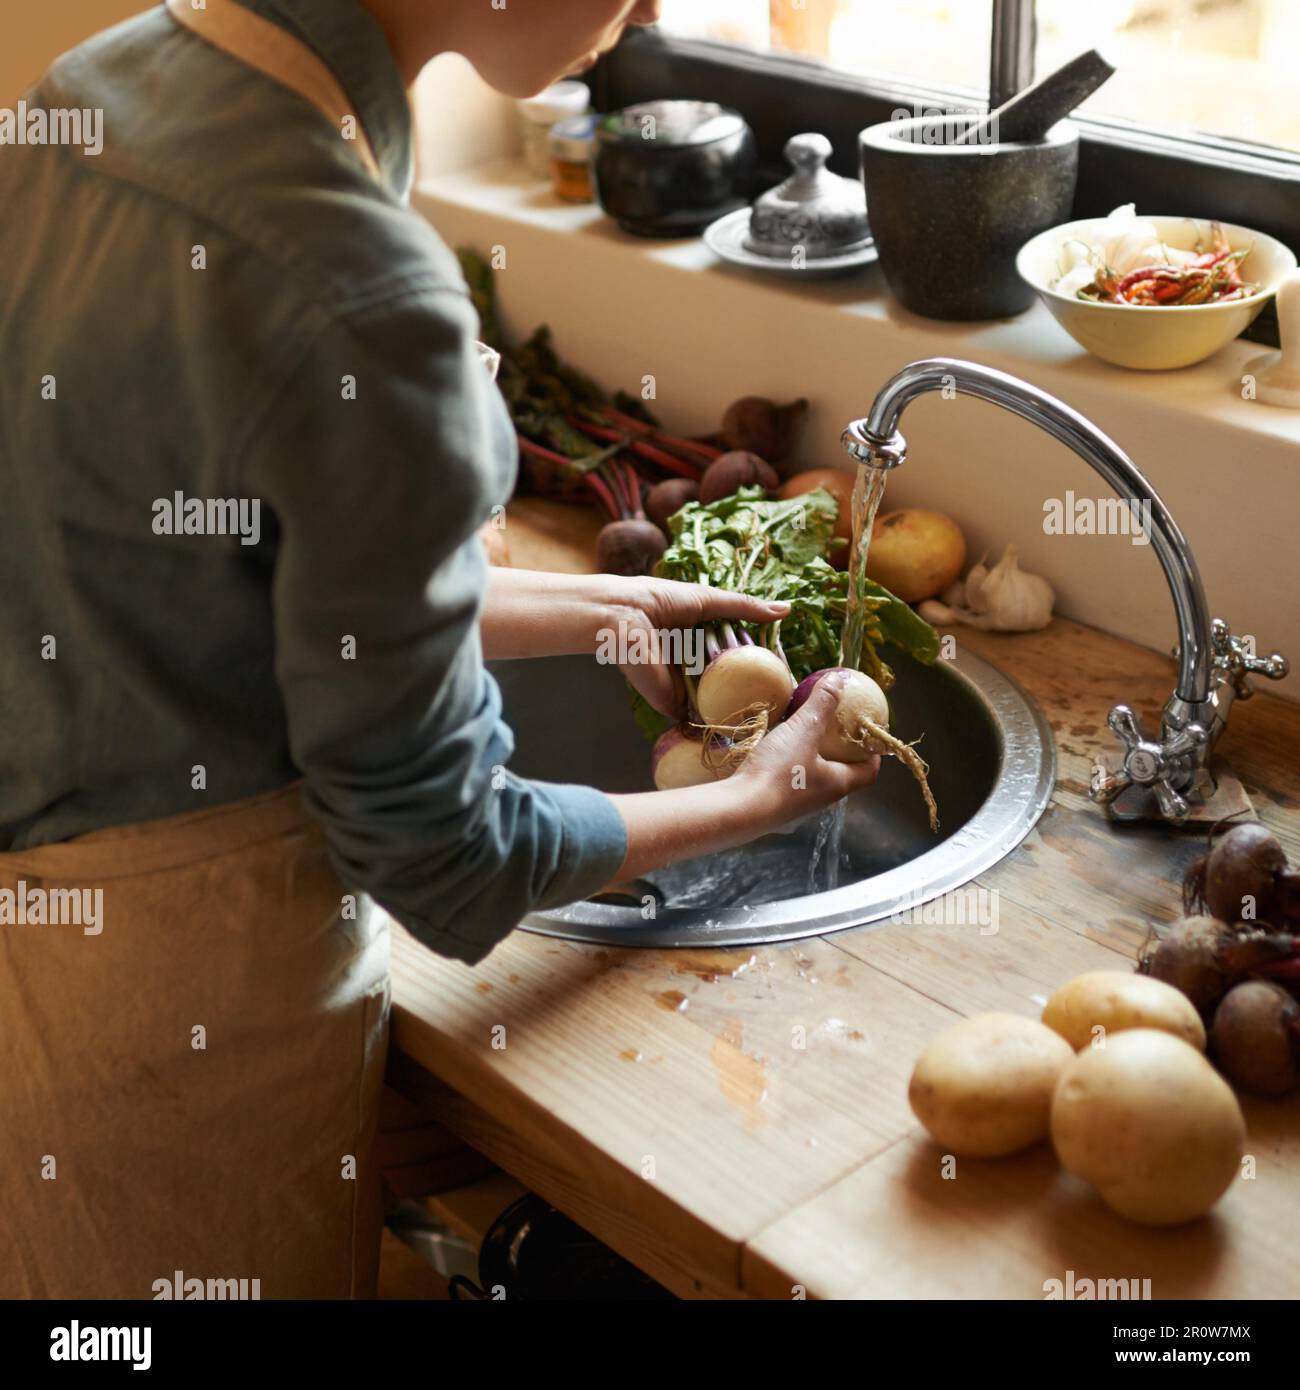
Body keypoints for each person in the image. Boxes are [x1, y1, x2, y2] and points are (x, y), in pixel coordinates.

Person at [0, 0, 880, 1298]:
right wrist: (754, 795)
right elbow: (449, 860)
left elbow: (217, 593)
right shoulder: (359, 282)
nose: (646, 11)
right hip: (187, 1007)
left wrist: (609, 613)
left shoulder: (100, 86)